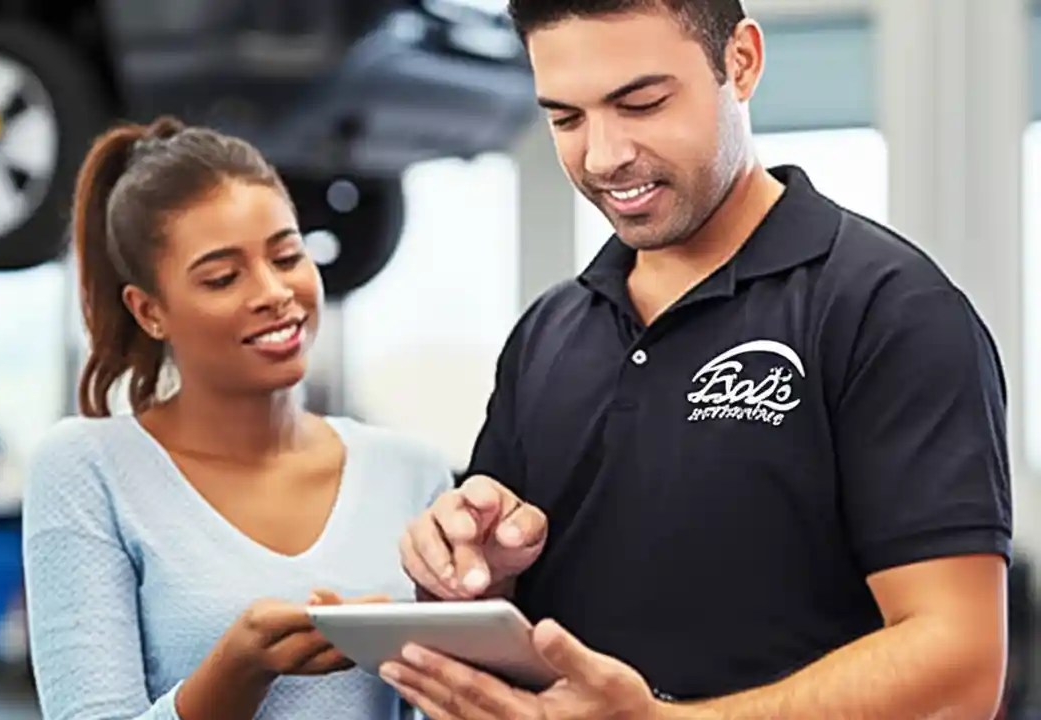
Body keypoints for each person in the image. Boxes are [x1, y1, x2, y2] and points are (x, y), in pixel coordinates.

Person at [390, 1, 1013, 718]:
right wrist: (474, 578)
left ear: (740, 62)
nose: (603, 156)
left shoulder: (889, 310)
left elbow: (960, 666)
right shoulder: (549, 332)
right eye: (566, 119)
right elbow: (508, 636)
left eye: (642, 103)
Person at [22, 116, 453, 720]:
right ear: (149, 312)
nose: (274, 291)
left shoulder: (412, 472)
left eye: (287, 256)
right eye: (223, 277)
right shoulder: (89, 469)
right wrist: (238, 670)